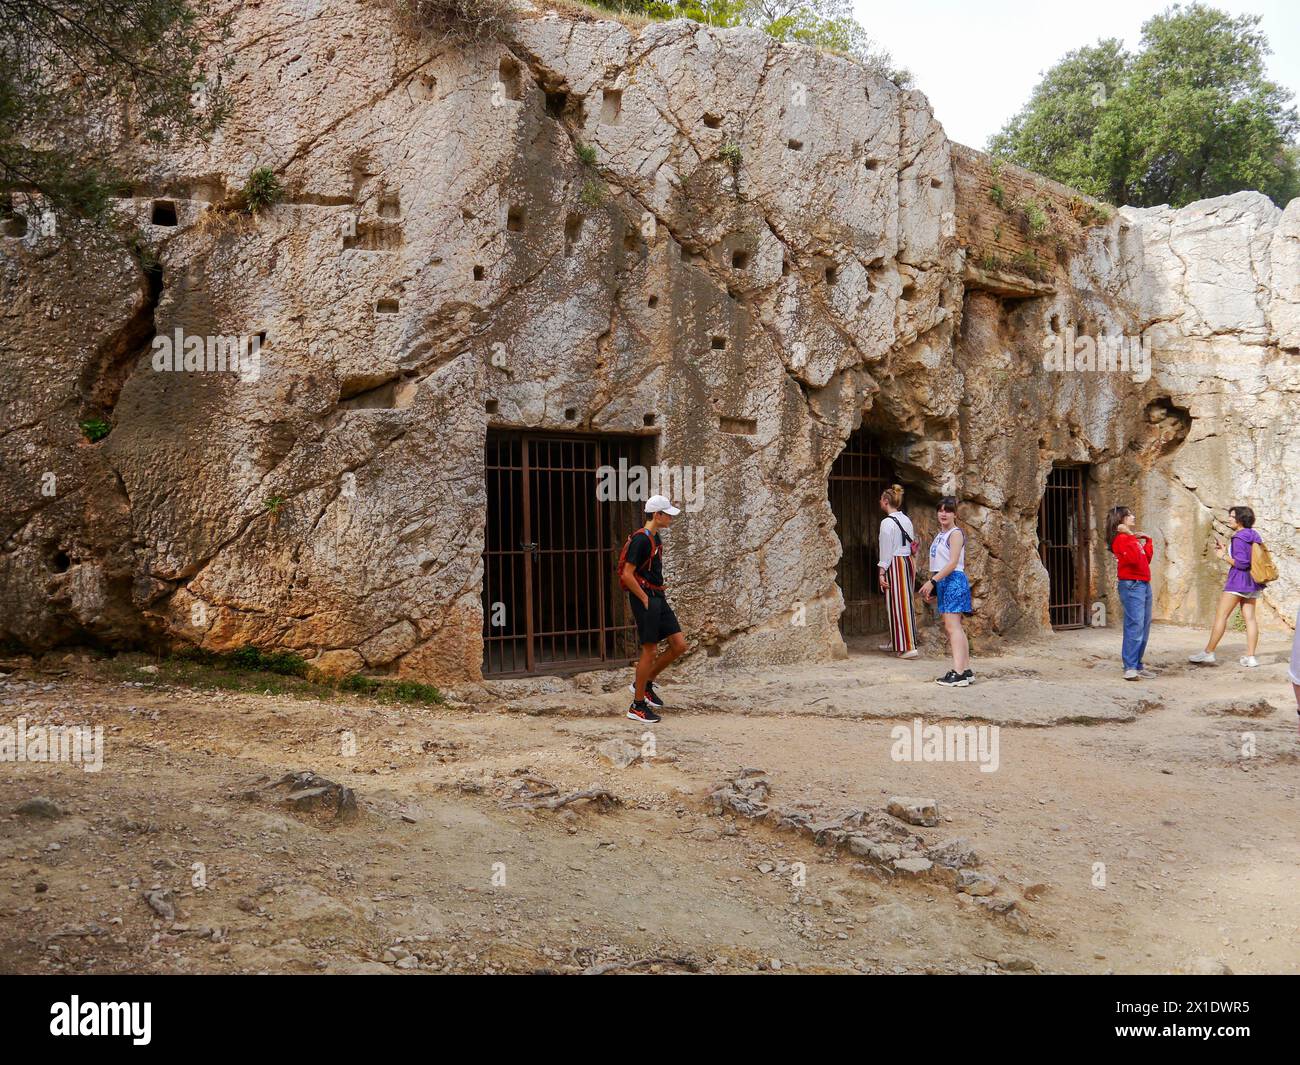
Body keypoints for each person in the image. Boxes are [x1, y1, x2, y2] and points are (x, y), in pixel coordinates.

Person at [621, 494, 687, 723]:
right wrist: (644, 599)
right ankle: (637, 705)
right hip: (647, 599)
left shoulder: (655, 538)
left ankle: (645, 682)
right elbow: (626, 575)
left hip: (657, 596)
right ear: (657, 515)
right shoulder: (641, 540)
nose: (670, 518)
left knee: (679, 644)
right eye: (667, 514)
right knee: (649, 651)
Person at [1189, 506, 1264, 668]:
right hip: (1253, 582)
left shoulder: (1238, 537)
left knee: (1221, 617)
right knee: (1250, 619)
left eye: (1232, 516)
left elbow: (1242, 563)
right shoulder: (1255, 535)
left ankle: (1209, 652)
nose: (1229, 519)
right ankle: (1250, 657)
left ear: (1240, 519)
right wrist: (1227, 551)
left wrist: (1223, 556)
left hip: (1238, 582)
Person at [920, 496, 972, 687]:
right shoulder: (941, 534)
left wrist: (933, 581)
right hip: (944, 581)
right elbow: (940, 562)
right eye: (940, 510)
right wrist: (936, 585)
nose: (943, 513)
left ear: (955, 514)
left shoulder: (955, 534)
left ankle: (958, 673)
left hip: (953, 580)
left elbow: (952, 563)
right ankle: (965, 670)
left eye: (948, 510)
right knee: (955, 626)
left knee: (953, 627)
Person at [1106, 505, 1155, 681]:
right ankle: (1130, 666)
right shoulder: (1121, 539)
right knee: (1135, 625)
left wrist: (1148, 541)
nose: (1133, 517)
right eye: (1129, 515)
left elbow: (1145, 559)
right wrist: (1130, 535)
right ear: (1122, 520)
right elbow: (1134, 559)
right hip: (1132, 585)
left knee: (1144, 625)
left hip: (1143, 584)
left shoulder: (1130, 539)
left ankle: (1137, 664)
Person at [877, 483, 919, 659]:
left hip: (895, 563)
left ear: (886, 501)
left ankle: (908, 646)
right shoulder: (906, 519)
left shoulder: (887, 523)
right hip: (907, 561)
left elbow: (886, 549)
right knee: (904, 602)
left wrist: (881, 571)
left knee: (897, 604)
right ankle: (898, 641)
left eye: (881, 499)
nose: (879, 501)